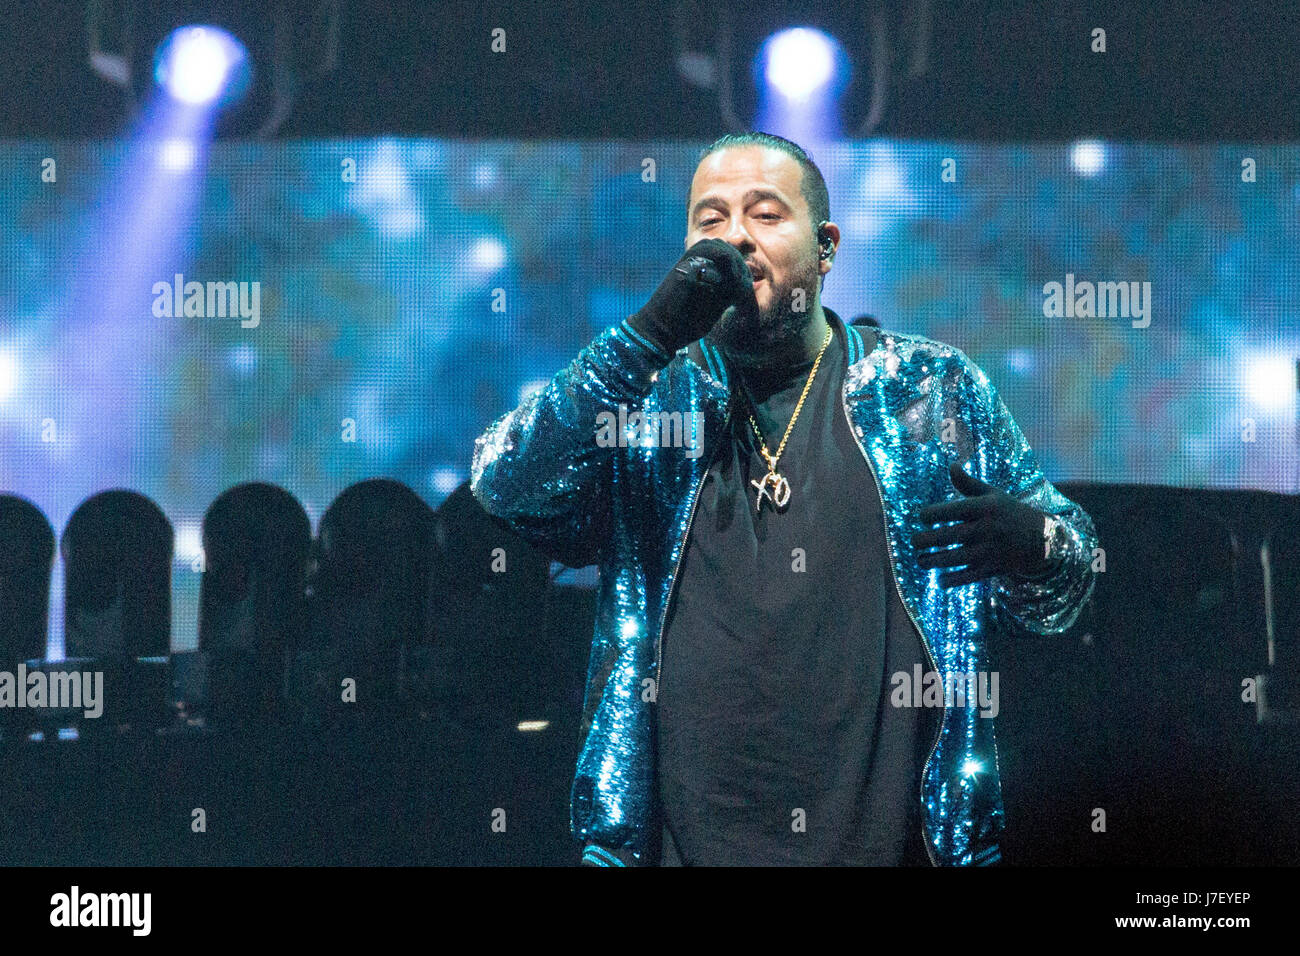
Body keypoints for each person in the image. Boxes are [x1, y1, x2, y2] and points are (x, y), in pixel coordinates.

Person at [470, 131, 1098, 866]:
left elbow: (1066, 584)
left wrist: (1039, 544)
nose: (734, 239)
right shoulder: (648, 401)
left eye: (765, 215)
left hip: (900, 846)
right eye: (710, 221)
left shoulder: (926, 389)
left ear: (826, 248)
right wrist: (645, 337)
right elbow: (504, 483)